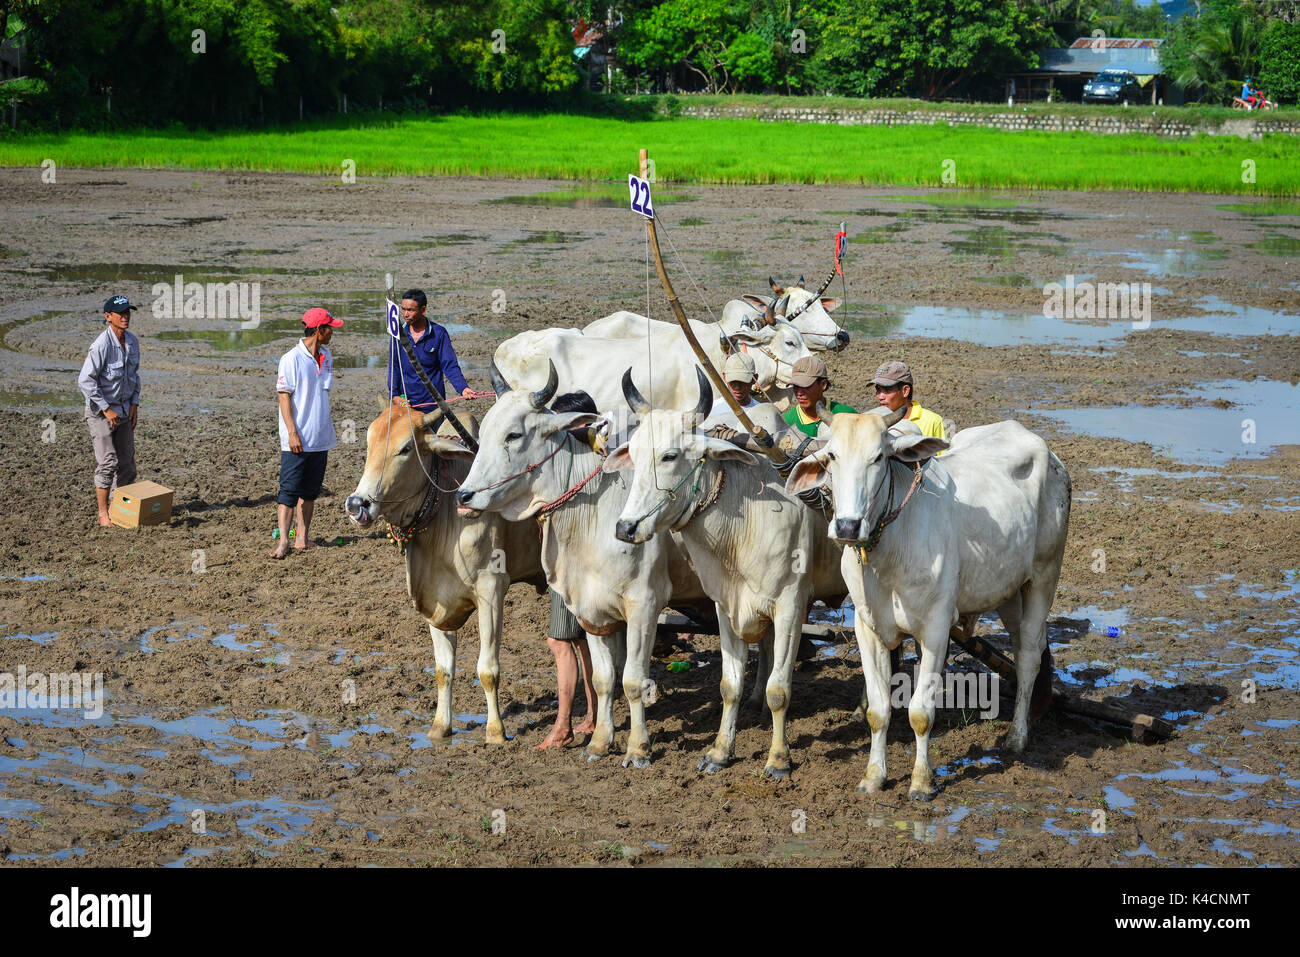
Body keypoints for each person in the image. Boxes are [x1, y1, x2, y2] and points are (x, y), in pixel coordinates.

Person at [536, 391, 600, 749]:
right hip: (580, 559)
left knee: (560, 641)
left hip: (572, 558)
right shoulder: (597, 455)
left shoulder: (572, 460)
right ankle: (591, 715)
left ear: (576, 425)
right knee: (583, 639)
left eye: (558, 423)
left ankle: (563, 725)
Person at [271, 307, 341, 559]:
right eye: (329, 328)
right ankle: (282, 543)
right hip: (297, 439)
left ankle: (302, 538)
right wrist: (292, 433)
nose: (332, 332)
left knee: (310, 491)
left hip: (320, 437)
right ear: (318, 330)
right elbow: (284, 397)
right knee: (288, 491)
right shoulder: (290, 359)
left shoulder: (327, 356)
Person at [78, 295, 143, 526]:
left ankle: (119, 507)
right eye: (120, 313)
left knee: (127, 464)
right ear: (108, 317)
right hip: (101, 413)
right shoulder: (101, 345)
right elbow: (85, 381)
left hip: (125, 410)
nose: (125, 317)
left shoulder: (132, 342)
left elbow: (134, 377)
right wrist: (106, 410)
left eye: (128, 312)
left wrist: (134, 404)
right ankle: (103, 513)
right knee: (107, 462)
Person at [388, 288, 475, 409]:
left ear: (423, 310)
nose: (405, 314)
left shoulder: (438, 333)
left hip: (434, 403)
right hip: (406, 403)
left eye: (410, 310)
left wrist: (463, 388)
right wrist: (394, 396)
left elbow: (449, 365)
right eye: (403, 309)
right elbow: (394, 367)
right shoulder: (398, 335)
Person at [782, 356, 857, 440]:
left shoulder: (849, 415)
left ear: (823, 384)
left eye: (806, 386)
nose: (799, 393)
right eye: (796, 386)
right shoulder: (785, 423)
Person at [871, 360, 945, 439]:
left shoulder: (932, 422)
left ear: (905, 391)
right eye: (878, 390)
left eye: (887, 389)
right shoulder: (873, 422)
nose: (880, 396)